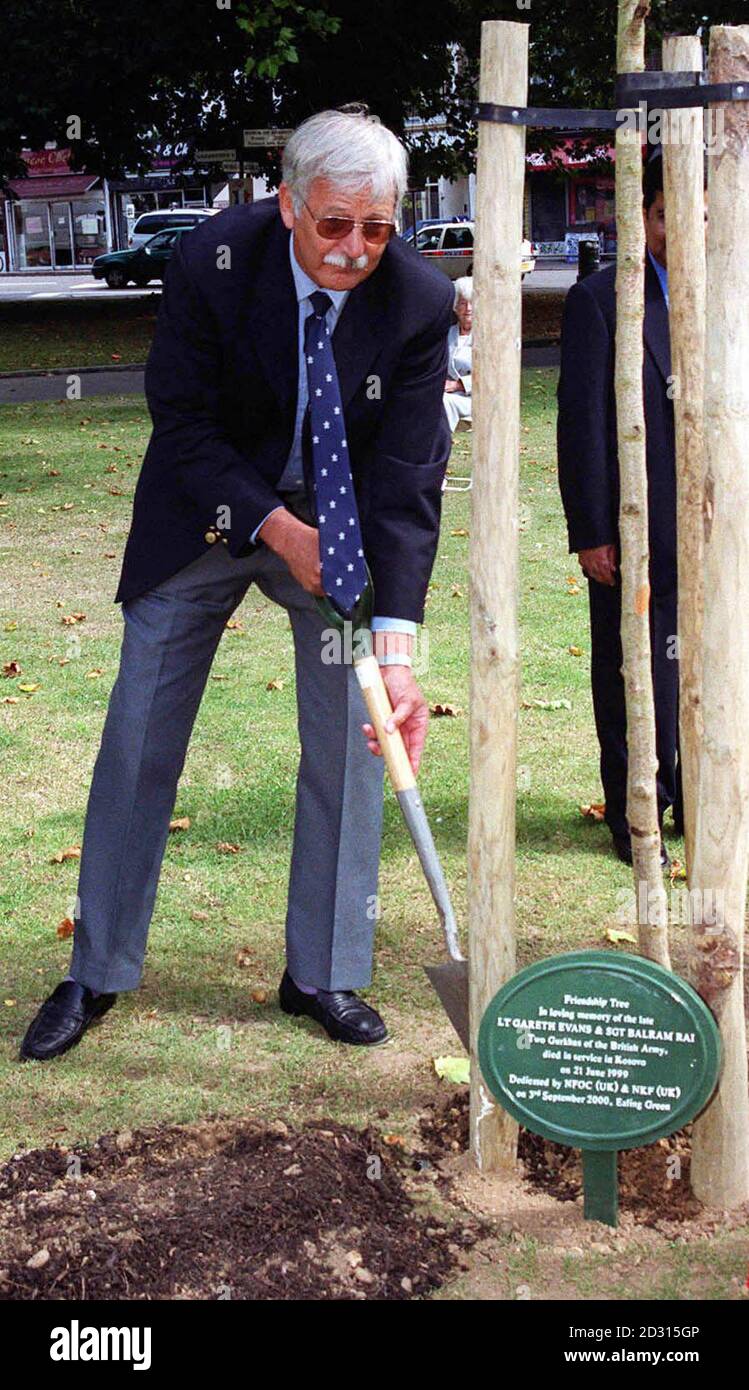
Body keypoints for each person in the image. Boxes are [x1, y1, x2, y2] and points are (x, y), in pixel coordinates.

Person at [20, 109, 454, 1061]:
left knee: (351, 742)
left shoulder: (417, 301)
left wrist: (394, 645)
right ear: (289, 203)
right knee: (139, 737)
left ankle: (323, 972)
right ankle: (96, 969)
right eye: (334, 224)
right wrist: (274, 527)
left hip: (337, 531)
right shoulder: (213, 262)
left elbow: (408, 478)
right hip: (210, 518)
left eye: (376, 228)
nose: (353, 250)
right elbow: (181, 425)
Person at [557, 152, 687, 866]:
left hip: (715, 529)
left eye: (700, 213)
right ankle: (638, 811)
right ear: (640, 217)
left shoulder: (732, 292)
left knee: (708, 673)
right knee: (631, 672)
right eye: (669, 215)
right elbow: (581, 424)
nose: (684, 228)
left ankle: (702, 802)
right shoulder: (602, 300)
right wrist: (592, 532)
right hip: (636, 530)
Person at [443, 276, 473, 432]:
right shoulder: (448, 334)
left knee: (443, 401)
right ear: (455, 307)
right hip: (449, 395)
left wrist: (457, 385)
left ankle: (439, 448)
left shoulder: (488, 338)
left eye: (472, 303)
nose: (468, 308)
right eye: (463, 303)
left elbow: (495, 376)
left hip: (477, 399)